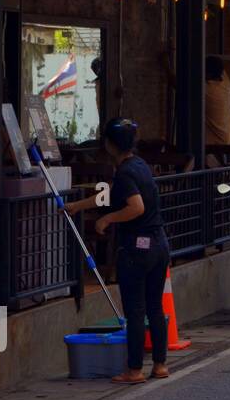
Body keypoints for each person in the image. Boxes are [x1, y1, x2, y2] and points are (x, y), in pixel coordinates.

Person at [66, 118, 170, 385]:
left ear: (110, 145)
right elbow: (114, 193)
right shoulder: (139, 166)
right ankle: (159, 365)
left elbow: (135, 207)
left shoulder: (125, 172)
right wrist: (80, 206)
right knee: (154, 307)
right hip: (158, 244)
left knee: (135, 311)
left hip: (137, 249)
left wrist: (107, 219)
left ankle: (134, 370)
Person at [205, 56, 230, 146]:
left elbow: (180, 86)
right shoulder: (225, 83)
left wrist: (167, 68)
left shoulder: (206, 89)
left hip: (218, 143)